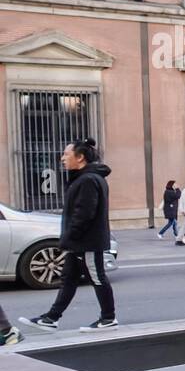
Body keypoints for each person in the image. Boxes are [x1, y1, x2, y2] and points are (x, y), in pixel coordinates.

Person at [20, 138, 117, 331]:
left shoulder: (88, 180)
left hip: (88, 242)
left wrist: (70, 236)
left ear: (80, 158)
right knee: (69, 278)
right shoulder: (84, 178)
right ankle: (51, 318)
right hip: (80, 241)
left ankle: (108, 318)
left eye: (66, 154)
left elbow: (84, 213)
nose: (62, 158)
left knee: (97, 277)